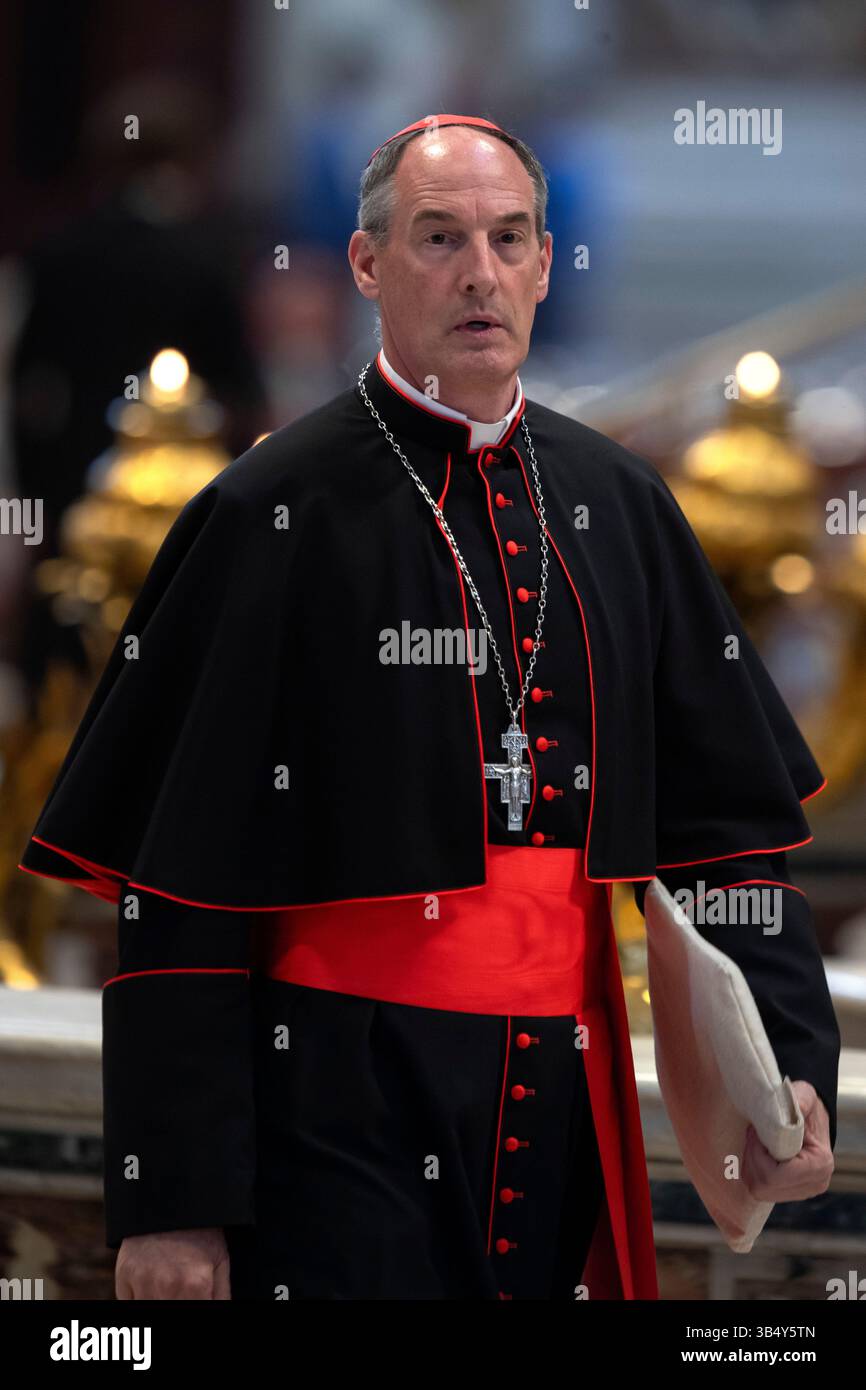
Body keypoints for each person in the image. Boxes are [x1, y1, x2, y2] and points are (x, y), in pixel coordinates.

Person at [19, 114, 840, 1302]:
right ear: (365, 266)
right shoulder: (267, 514)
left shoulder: (619, 503)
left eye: (509, 240)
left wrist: (789, 1065)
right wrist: (178, 1195)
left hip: (558, 1085)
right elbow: (179, 887)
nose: (479, 273)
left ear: (547, 265)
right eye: (438, 237)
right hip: (334, 1098)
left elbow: (733, 831)